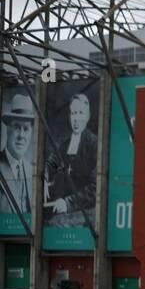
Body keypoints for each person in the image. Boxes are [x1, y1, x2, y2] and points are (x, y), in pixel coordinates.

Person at [44, 93, 98, 229]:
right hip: (64, 207)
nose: (76, 118)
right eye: (73, 113)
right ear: (70, 117)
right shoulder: (64, 145)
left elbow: (95, 188)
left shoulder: (94, 144)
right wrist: (44, 178)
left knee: (54, 225)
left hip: (87, 210)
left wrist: (68, 203)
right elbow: (51, 164)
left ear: (87, 116)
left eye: (80, 113)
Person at [1, 94, 36, 216]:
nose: (21, 135)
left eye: (26, 129)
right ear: (8, 129)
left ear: (31, 133)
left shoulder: (32, 171)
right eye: (17, 127)